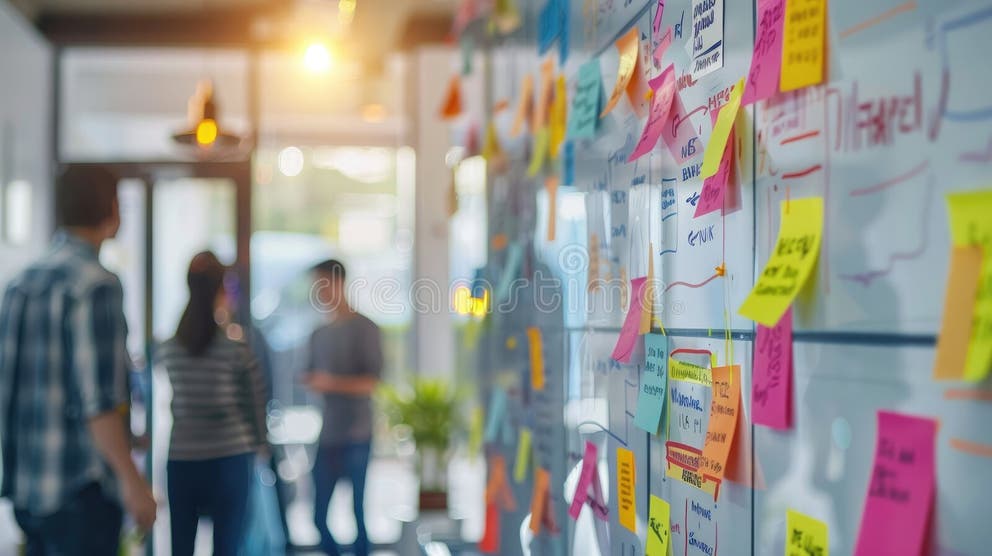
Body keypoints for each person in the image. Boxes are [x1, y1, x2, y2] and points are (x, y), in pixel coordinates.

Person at [0, 166, 157, 554]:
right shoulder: (97, 285)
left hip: (27, 492)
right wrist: (134, 483)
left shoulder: (21, 283)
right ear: (112, 208)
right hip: (79, 494)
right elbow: (97, 402)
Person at [157, 252, 268, 556]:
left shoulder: (169, 348)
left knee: (181, 547)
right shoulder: (236, 347)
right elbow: (255, 406)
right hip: (230, 457)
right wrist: (262, 446)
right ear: (222, 288)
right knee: (227, 548)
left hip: (182, 457)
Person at [304, 259, 383, 556]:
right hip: (328, 434)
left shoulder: (365, 327)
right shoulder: (318, 333)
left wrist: (330, 383)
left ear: (338, 282)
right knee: (318, 516)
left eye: (322, 283)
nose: (319, 291)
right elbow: (311, 376)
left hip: (357, 433)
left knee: (358, 514)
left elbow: (371, 382)